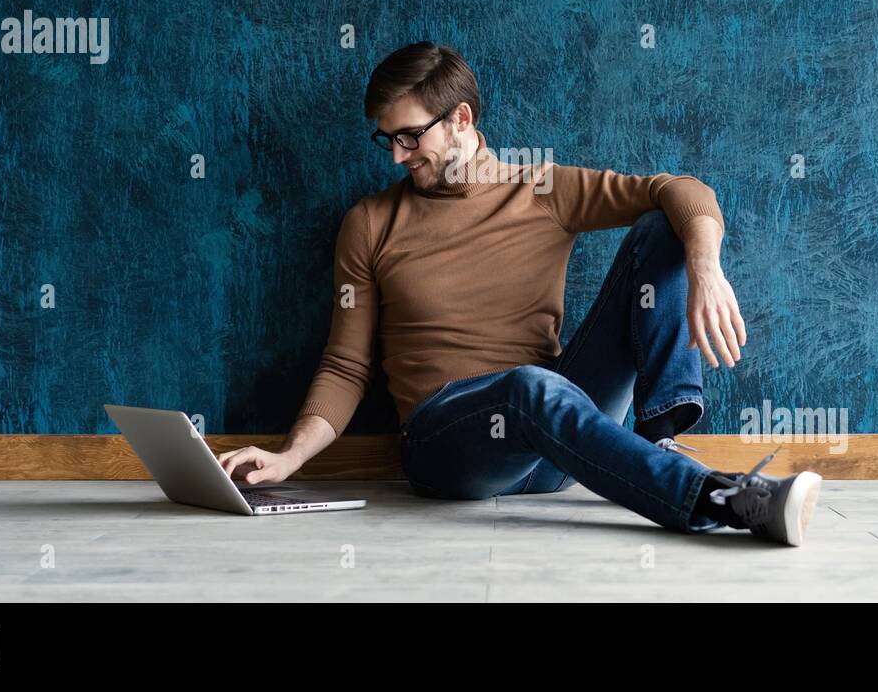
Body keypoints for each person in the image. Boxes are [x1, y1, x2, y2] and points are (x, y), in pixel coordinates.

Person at [219, 41, 821, 545]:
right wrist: (289, 458)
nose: (399, 156)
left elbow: (683, 189)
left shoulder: (541, 190)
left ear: (461, 120)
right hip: (449, 448)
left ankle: (658, 441)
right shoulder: (370, 223)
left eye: (409, 137)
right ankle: (721, 499)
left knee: (663, 225)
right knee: (530, 386)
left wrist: (706, 268)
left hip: (555, 447)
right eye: (388, 142)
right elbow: (346, 365)